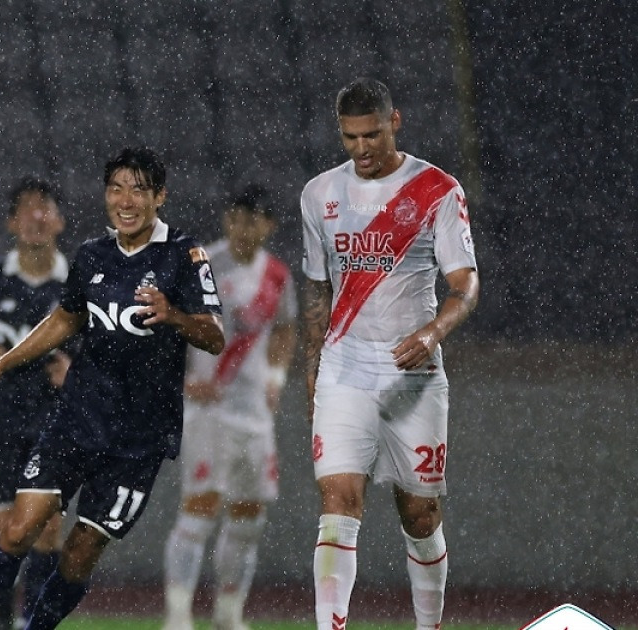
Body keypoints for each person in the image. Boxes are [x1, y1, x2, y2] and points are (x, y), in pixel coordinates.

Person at [0, 147, 225, 630]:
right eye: (116, 188)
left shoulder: (185, 256)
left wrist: (175, 315)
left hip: (138, 437)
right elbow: (64, 319)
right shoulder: (92, 256)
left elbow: (214, 336)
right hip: (76, 419)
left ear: (159, 196)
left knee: (82, 548)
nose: (125, 201)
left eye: (138, 190)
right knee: (17, 529)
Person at [300, 77, 479, 630]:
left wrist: (432, 332)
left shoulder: (436, 190)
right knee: (339, 501)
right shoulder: (319, 194)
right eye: (350, 138)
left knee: (420, 515)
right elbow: (316, 288)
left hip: (414, 371)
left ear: (394, 122)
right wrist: (313, 363)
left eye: (372, 135)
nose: (362, 149)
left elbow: (465, 284)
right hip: (345, 365)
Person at [162, 185, 297, 630]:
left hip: (255, 414)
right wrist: (180, 381)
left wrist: (276, 379)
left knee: (248, 516)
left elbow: (284, 329)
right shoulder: (202, 266)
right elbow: (165, 324)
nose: (244, 227)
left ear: (269, 226)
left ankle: (228, 613)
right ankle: (179, 615)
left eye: (254, 219)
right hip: (209, 411)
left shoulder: (276, 276)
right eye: (238, 217)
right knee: (199, 509)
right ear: (226, 220)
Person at [0, 177, 71, 630]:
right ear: (11, 222)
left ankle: (35, 624)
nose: (36, 216)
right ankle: (1, 624)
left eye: (44, 208)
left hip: (55, 426)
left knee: (47, 529)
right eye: (26, 209)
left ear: (60, 220)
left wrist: (75, 373)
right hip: (1, 422)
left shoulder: (77, 287)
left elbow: (101, 356)